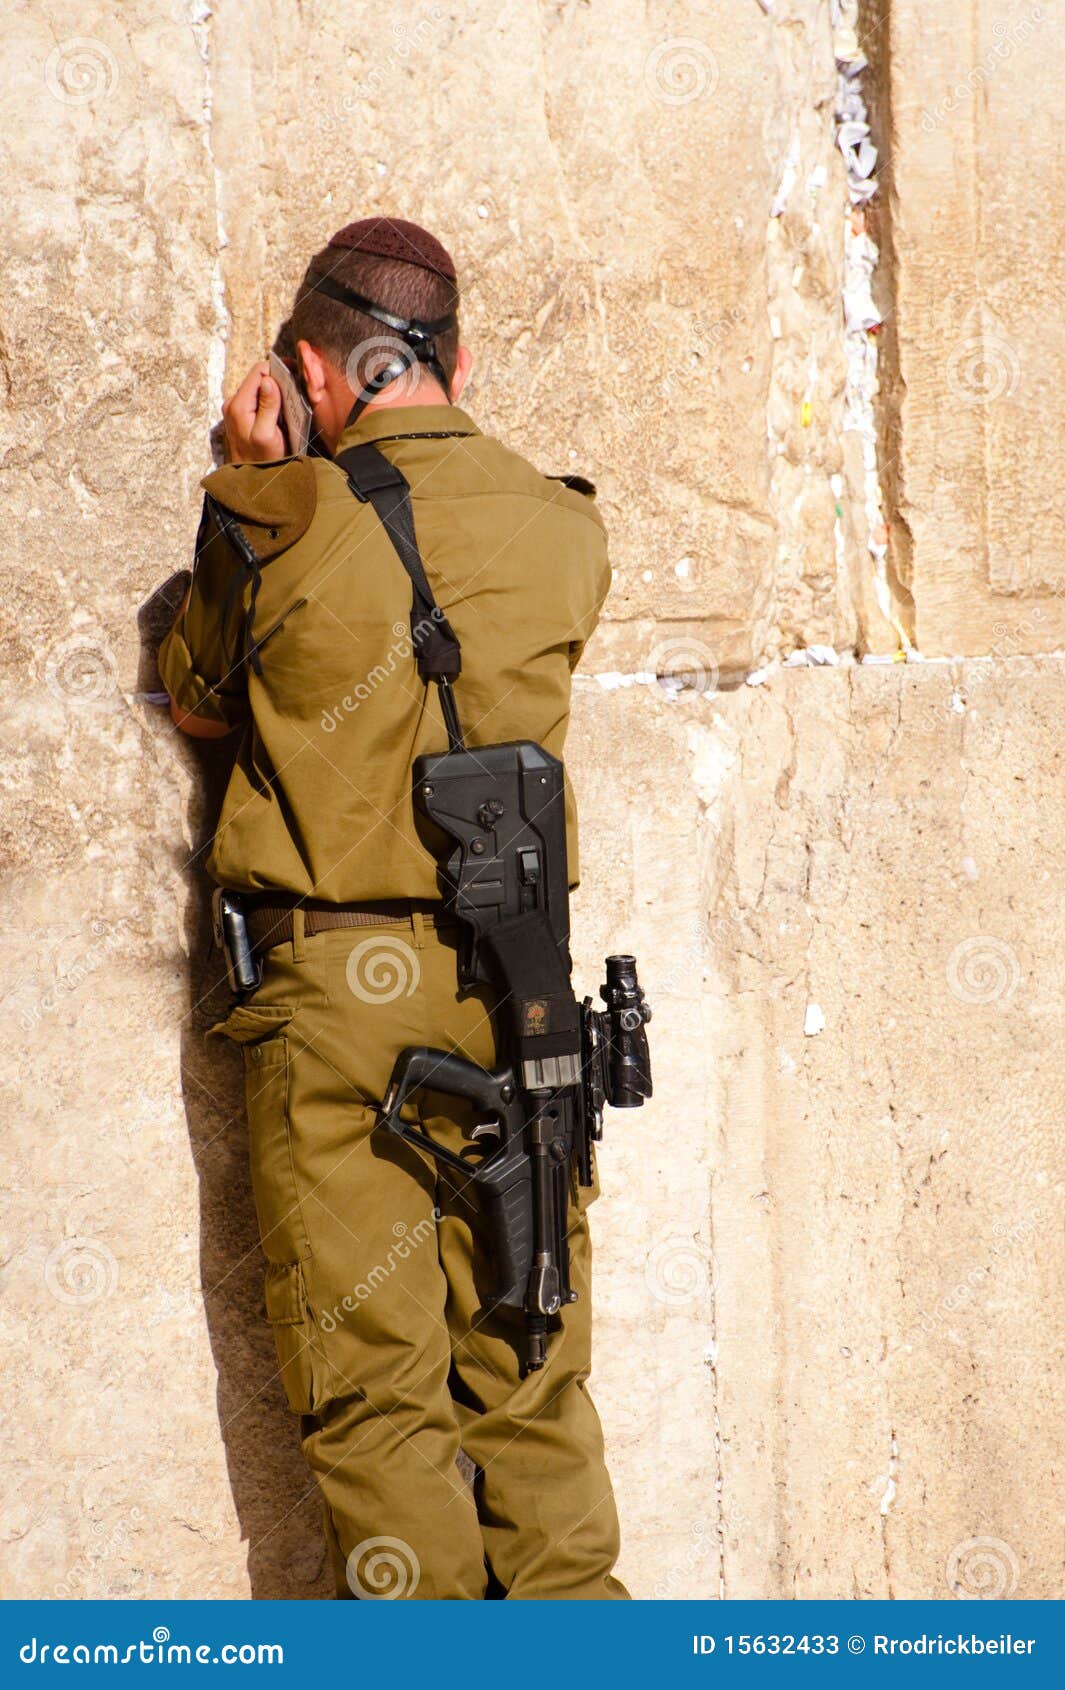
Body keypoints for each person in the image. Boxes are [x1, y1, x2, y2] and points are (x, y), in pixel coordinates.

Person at [159, 216, 627, 1600]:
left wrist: (247, 485)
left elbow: (198, 691)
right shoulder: (564, 528)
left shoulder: (279, 512)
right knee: (530, 1373)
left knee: (376, 1403)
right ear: (457, 358)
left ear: (312, 369)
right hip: (516, 986)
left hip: (333, 1000)